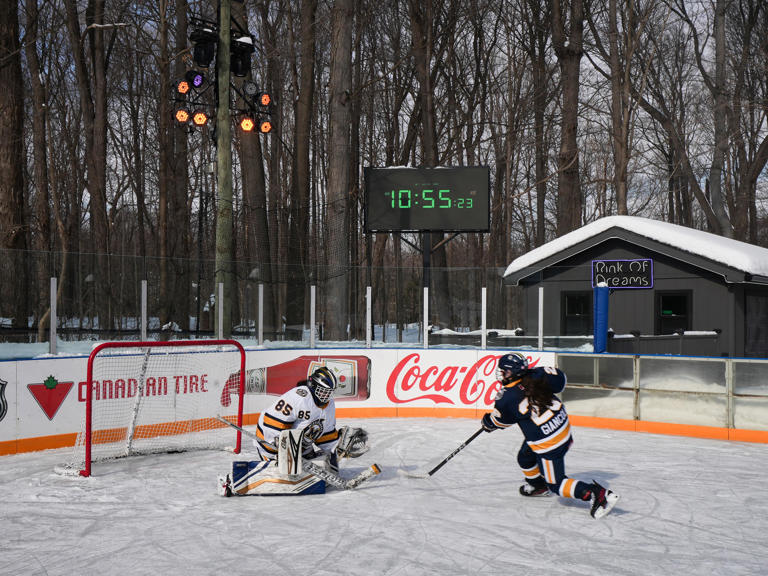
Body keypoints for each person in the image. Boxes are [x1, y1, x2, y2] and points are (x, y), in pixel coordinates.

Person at [481, 352, 620, 519]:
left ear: (512, 373)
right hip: (560, 427)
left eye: (504, 371)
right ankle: (538, 486)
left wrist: (488, 422)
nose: (501, 373)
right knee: (525, 458)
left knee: (556, 484)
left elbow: (500, 422)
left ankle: (596, 494)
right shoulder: (537, 374)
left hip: (548, 443)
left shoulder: (506, 397)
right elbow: (560, 381)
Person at [253, 366, 341, 474]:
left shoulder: (329, 405)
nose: (326, 396)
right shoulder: (298, 397)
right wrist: (279, 445)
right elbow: (271, 422)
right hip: (271, 445)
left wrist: (338, 448)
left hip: (301, 448)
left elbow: (326, 435)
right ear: (313, 386)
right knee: (283, 474)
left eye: (329, 392)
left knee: (313, 471)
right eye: (323, 391)